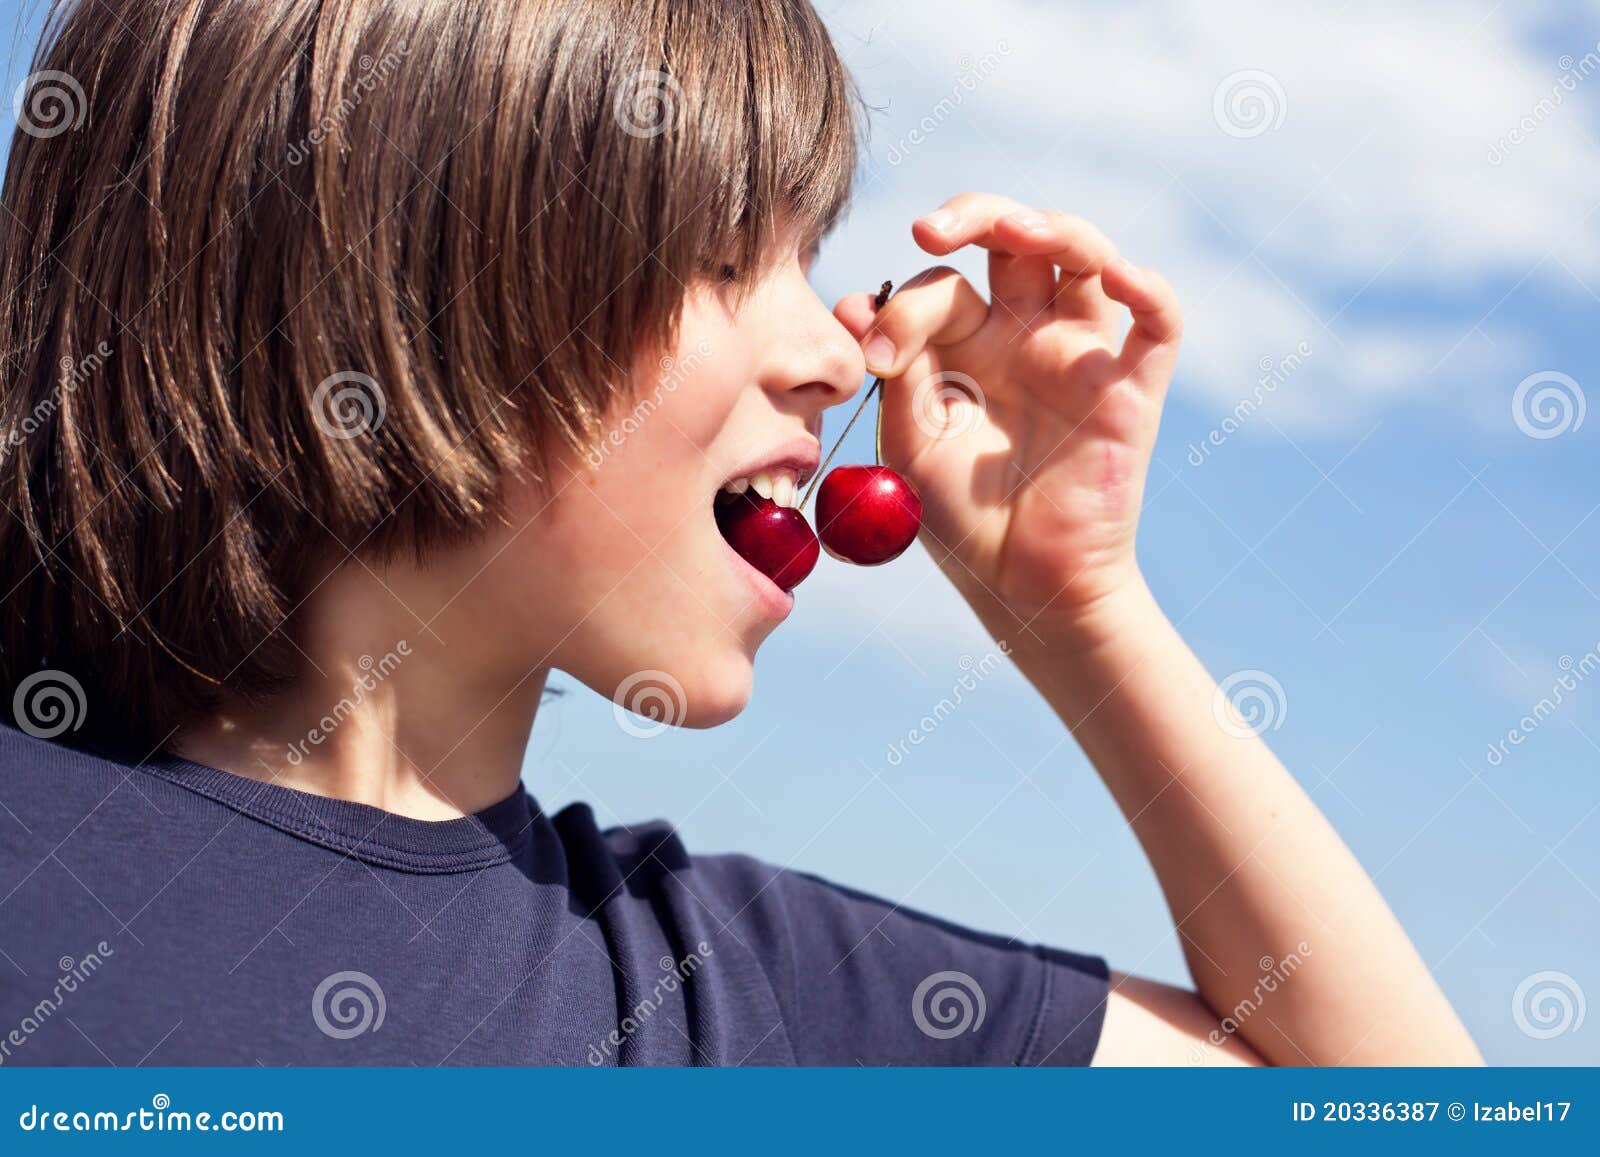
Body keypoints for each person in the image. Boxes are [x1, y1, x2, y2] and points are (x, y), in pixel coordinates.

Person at [0, 0, 1478, 1066]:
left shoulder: (727, 990)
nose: (838, 352)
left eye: (809, 255)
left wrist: (1078, 603)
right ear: (384, 277)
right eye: (722, 253)